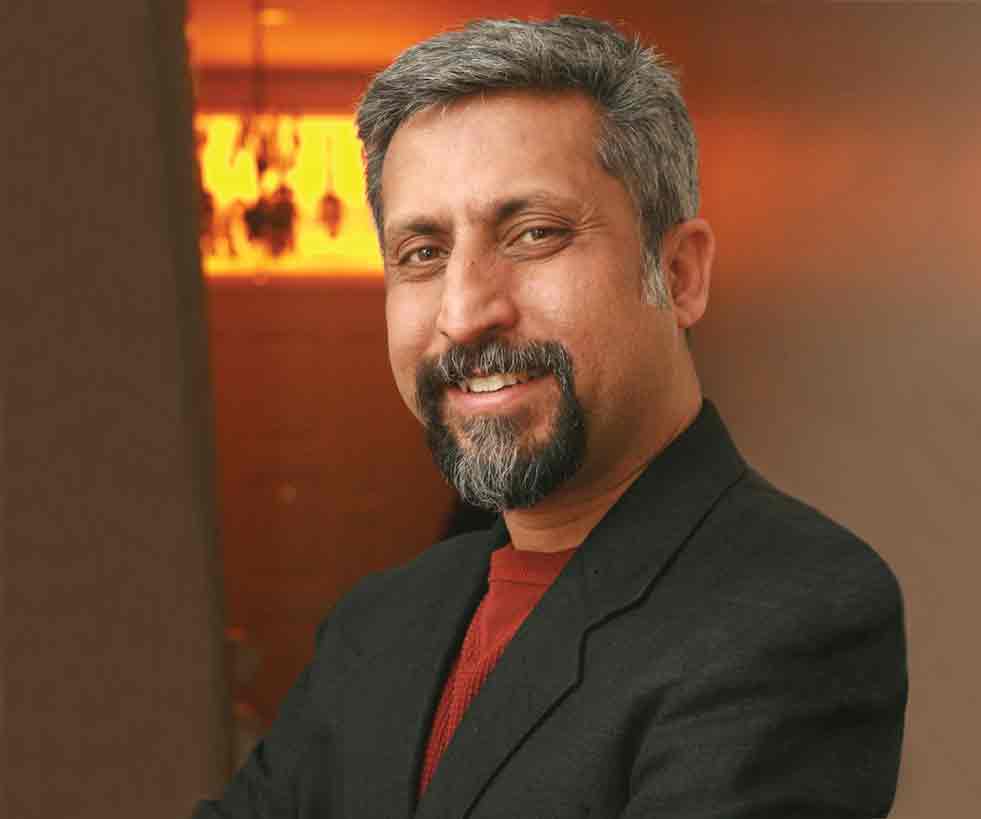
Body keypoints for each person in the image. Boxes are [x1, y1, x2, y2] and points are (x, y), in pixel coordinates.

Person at [194, 16, 907, 819]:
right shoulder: (379, 622)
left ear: (678, 275)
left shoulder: (790, 611)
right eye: (423, 252)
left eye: (534, 234)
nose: (464, 313)